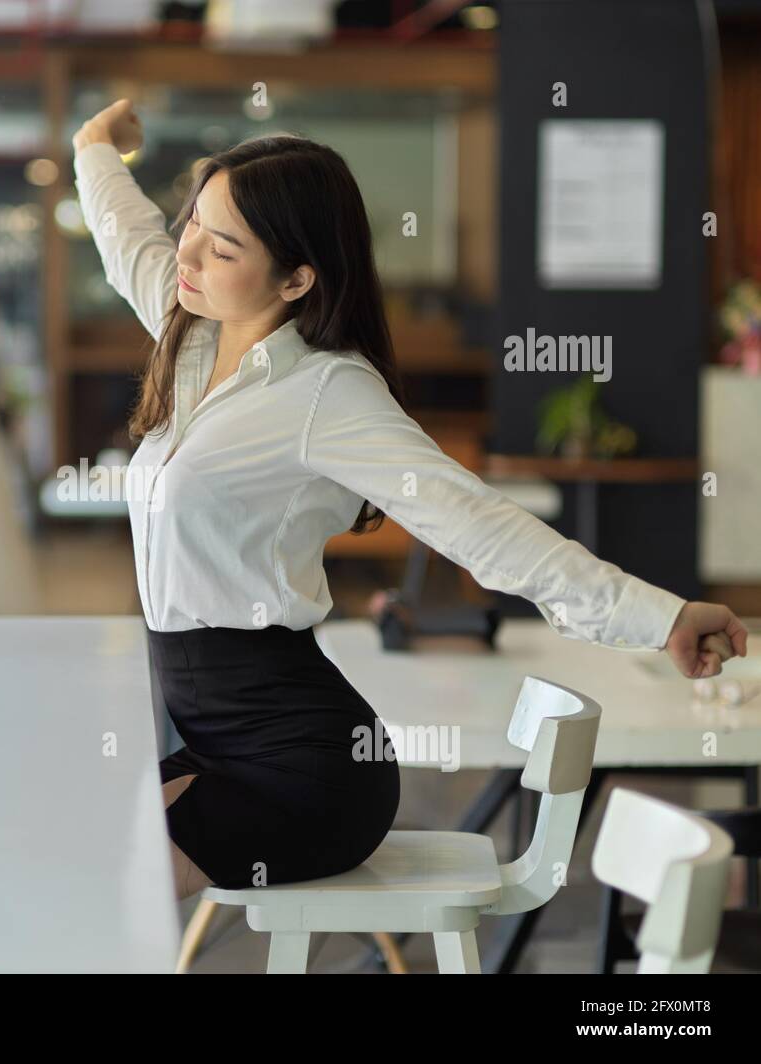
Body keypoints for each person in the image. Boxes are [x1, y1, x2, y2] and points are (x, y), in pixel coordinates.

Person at [71, 99, 750, 901]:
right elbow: (127, 241)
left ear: (296, 278)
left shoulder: (328, 393)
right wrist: (94, 148)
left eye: (222, 247)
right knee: (85, 869)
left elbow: (482, 527)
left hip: (305, 769)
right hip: (214, 735)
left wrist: (660, 618)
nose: (188, 253)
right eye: (193, 225)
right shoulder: (191, 332)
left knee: (110, 898)